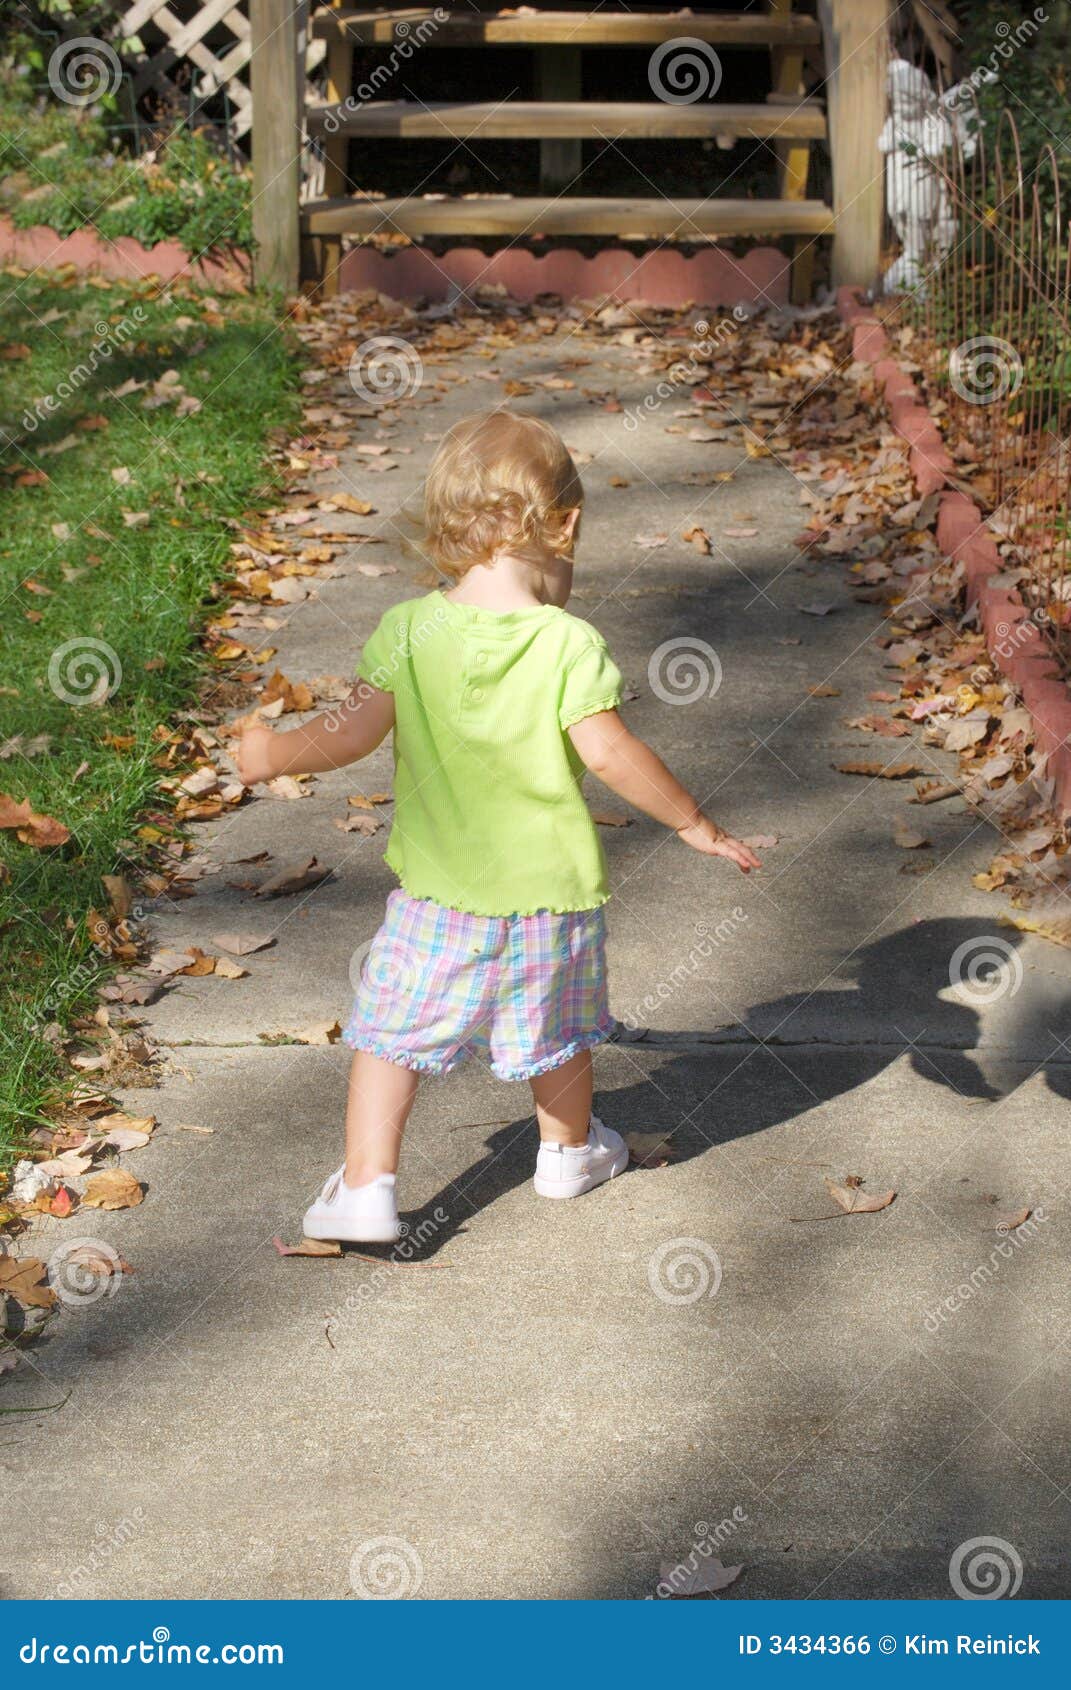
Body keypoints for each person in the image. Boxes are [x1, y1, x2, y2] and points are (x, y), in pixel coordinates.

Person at [238, 410, 759, 1243]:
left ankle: (366, 1188)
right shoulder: (567, 643)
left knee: (391, 1037)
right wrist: (692, 821)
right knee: (555, 1032)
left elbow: (349, 732)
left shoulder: (410, 631)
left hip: (442, 899)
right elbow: (613, 755)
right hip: (550, 900)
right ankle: (566, 1153)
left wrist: (270, 753)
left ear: (445, 519)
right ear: (568, 523)